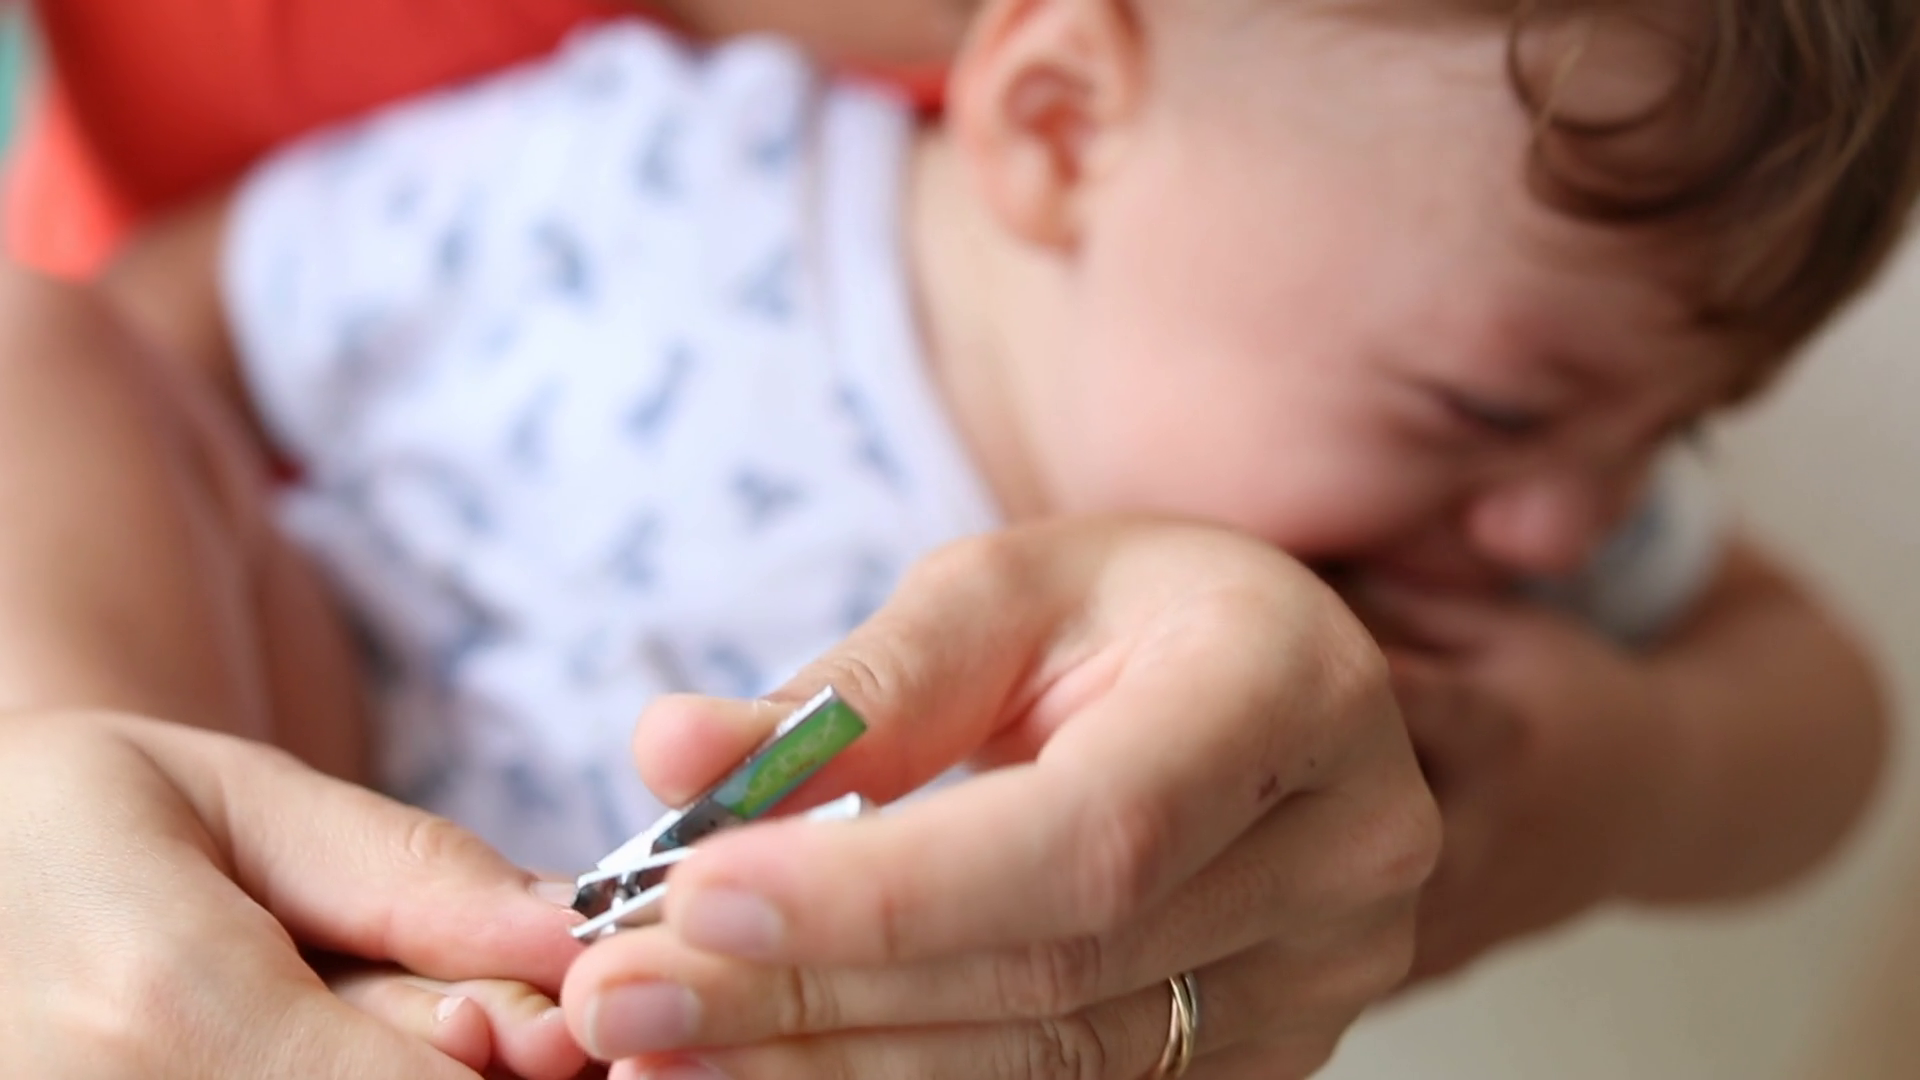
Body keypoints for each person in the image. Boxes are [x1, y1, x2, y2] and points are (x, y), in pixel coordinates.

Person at [0, 2, 1911, 1080]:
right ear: (1067, 128)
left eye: (1673, 430)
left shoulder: (1444, 560)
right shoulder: (660, 176)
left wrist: (1611, 779)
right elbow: (158, 353)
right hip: (282, 815)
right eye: (1491, 413)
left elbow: (1829, 724)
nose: (1574, 515)